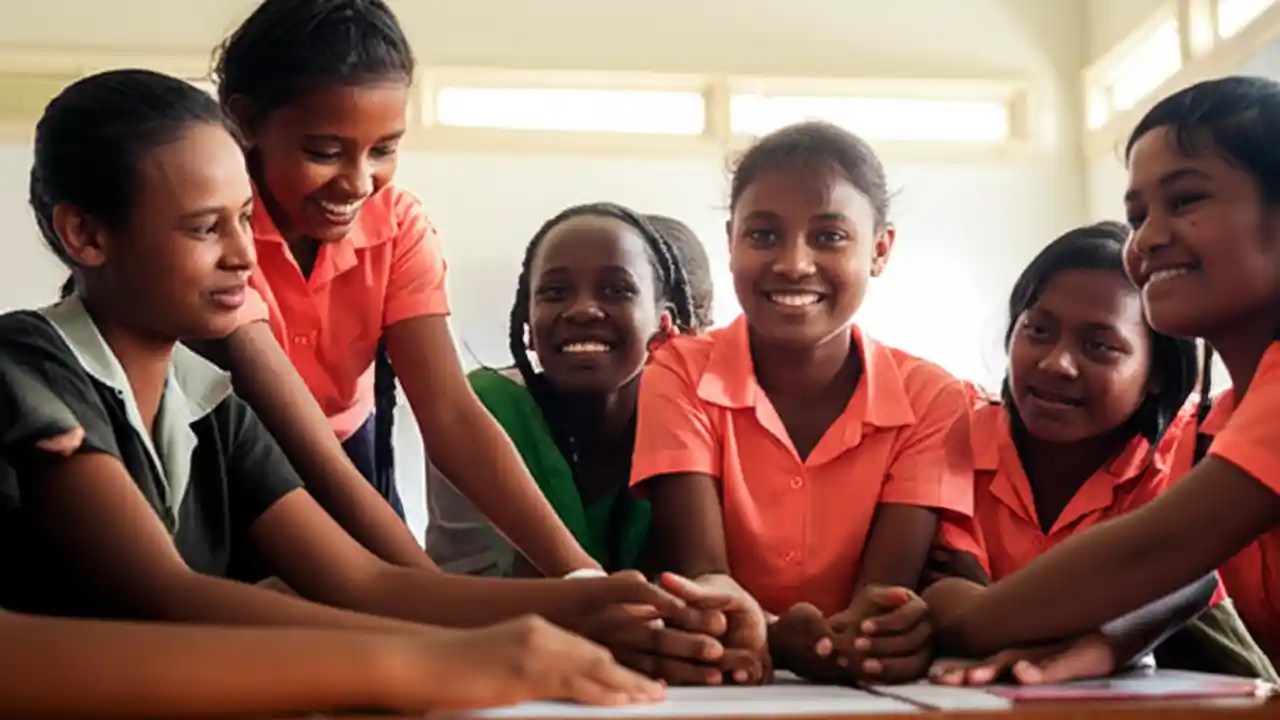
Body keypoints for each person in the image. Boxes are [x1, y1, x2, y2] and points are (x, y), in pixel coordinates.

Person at [0, 68, 711, 696]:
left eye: (245, 219)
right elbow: (161, 591)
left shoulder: (210, 403)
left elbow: (359, 581)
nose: (245, 255)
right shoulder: (28, 365)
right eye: (203, 229)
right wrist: (453, 654)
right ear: (85, 236)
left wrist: (594, 602)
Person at [206, 0, 600, 578]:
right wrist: (430, 594)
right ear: (246, 122)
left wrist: (580, 574)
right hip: (234, 460)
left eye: (384, 149)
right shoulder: (218, 231)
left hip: (350, 451)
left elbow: (451, 415)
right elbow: (303, 450)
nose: (358, 181)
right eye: (324, 152)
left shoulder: (396, 224)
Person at [931, 75, 1280, 669]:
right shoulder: (1220, 423)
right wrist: (1104, 642)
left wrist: (958, 616)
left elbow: (1157, 553)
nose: (1148, 238)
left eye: (1186, 200)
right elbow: (1188, 575)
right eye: (1138, 213)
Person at [631, 122, 975, 684]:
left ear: (880, 249)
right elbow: (704, 573)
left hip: (857, 683)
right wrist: (774, 635)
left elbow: (881, 596)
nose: (794, 262)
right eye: (763, 235)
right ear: (731, 241)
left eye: (830, 237)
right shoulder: (678, 372)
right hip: (723, 672)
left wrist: (875, 633)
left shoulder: (931, 398)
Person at [924, 222, 1232, 685]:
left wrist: (1001, 603)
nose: (1056, 363)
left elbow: (1185, 585)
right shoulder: (951, 431)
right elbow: (942, 600)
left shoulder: (1185, 455)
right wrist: (1103, 611)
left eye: (1100, 346)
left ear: (1157, 375)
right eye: (1038, 330)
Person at [426, 203, 708, 579]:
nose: (583, 310)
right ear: (526, 319)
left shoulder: (695, 419)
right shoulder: (481, 411)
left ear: (663, 322)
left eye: (616, 290)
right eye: (555, 292)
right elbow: (464, 585)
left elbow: (700, 584)